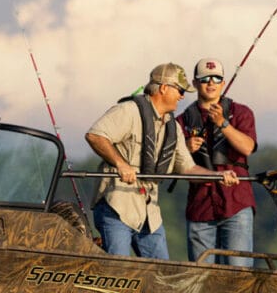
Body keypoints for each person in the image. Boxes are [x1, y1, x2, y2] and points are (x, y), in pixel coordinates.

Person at [85, 63, 240, 258]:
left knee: (163, 275)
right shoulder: (128, 110)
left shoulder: (172, 127)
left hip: (150, 214)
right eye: (180, 90)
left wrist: (218, 175)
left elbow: (188, 168)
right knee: (118, 270)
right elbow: (95, 135)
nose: (183, 96)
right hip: (117, 207)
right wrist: (121, 164)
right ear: (164, 87)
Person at [180, 58, 257, 265]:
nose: (211, 83)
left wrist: (223, 124)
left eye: (217, 78)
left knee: (238, 273)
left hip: (237, 204)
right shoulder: (181, 121)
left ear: (223, 83)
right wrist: (186, 147)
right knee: (200, 276)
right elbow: (173, 162)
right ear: (195, 83)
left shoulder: (241, 113)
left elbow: (248, 147)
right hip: (200, 207)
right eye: (205, 78)